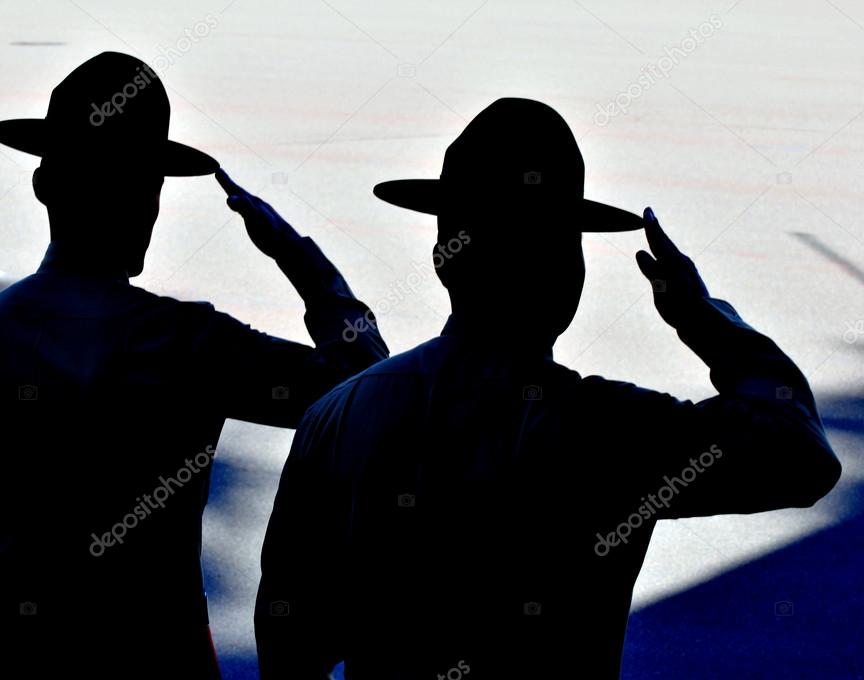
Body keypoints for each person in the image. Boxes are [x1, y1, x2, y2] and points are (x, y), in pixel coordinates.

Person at [254, 98, 841, 679]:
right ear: (568, 273)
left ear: (444, 257)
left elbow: (288, 642)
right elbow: (801, 455)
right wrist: (709, 320)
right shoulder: (609, 430)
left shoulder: (334, 416)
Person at [0, 51, 388, 680]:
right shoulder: (191, 343)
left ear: (44, 185)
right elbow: (368, 392)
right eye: (146, 186)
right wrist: (307, 265)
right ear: (148, 198)